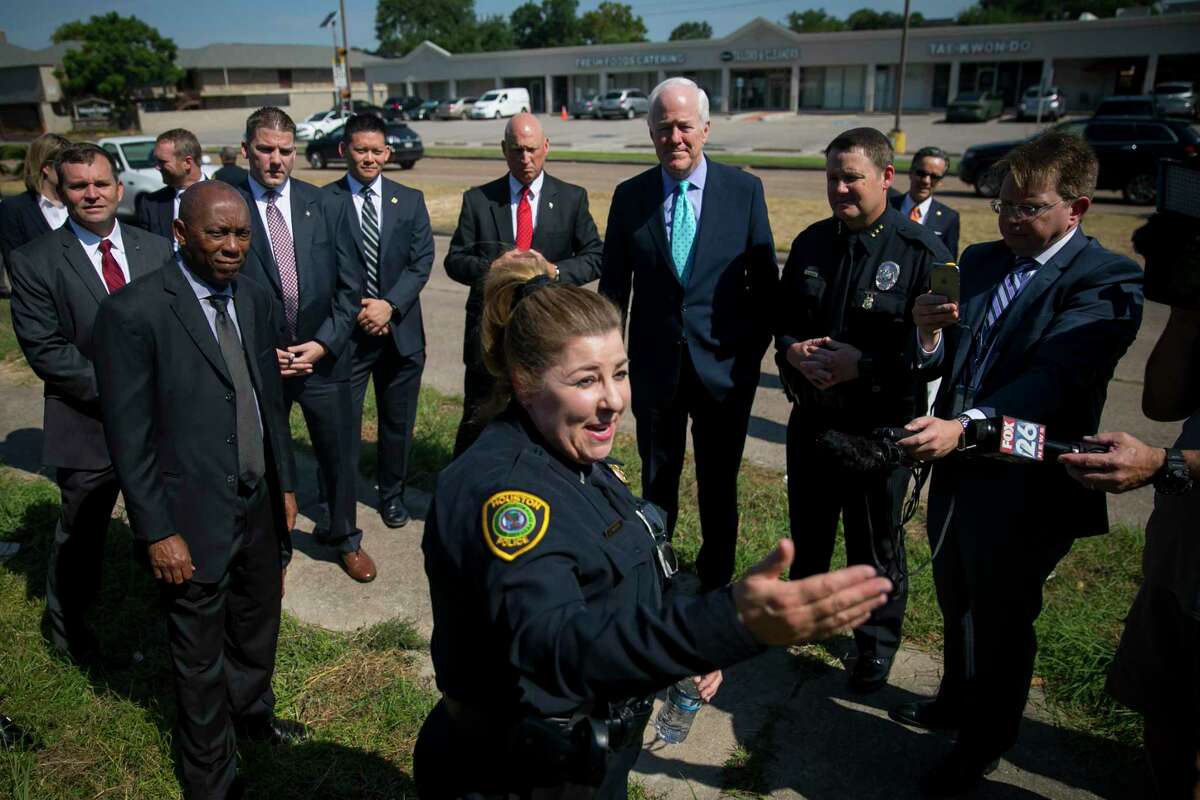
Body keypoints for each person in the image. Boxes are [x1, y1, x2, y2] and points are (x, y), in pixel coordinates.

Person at [415, 250, 894, 798]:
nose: (614, 401)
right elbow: (556, 645)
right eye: (586, 380)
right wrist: (718, 627)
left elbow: (627, 571)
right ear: (525, 381)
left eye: (619, 373)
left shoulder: (575, 456)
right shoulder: (508, 496)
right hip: (520, 776)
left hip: (590, 758)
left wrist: (683, 639)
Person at [894, 130, 1144, 795]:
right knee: (955, 594)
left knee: (1000, 619)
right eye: (1002, 204)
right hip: (957, 464)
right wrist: (926, 332)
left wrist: (967, 427)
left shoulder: (1106, 279)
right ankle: (954, 700)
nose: (1008, 219)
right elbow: (947, 362)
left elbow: (1053, 381)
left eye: (1027, 208)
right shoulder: (980, 261)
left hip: (1027, 482)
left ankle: (982, 743)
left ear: (1076, 207)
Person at [94, 180, 307, 800]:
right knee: (198, 655)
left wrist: (285, 485)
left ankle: (253, 715)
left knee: (258, 622)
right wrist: (157, 529)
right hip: (189, 515)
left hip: (258, 501)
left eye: (242, 234)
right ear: (181, 233)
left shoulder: (256, 297)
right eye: (217, 233)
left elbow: (269, 403)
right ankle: (211, 777)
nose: (232, 246)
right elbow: (129, 439)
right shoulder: (133, 313)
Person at [775, 127, 949, 694]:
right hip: (814, 418)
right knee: (809, 530)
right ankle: (805, 615)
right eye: (833, 177)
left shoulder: (920, 253)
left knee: (874, 544)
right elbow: (784, 324)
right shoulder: (811, 243)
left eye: (851, 177)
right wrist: (793, 353)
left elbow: (935, 359)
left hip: (878, 432)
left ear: (886, 177)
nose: (840, 189)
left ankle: (874, 645)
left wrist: (864, 366)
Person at [599, 77, 777, 591]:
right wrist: (611, 367)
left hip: (725, 373)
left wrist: (747, 358)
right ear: (650, 132)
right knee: (658, 480)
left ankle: (716, 579)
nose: (674, 138)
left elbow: (766, 287)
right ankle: (659, 574)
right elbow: (614, 290)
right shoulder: (630, 197)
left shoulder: (743, 192)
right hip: (656, 371)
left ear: (705, 129)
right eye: (663, 128)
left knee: (719, 483)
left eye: (684, 127)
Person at [8, 143, 173, 665]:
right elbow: (46, 351)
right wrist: (126, 394)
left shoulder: (157, 249)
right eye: (79, 186)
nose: (92, 194)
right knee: (81, 535)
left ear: (119, 188)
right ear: (60, 191)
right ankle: (69, 633)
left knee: (166, 522)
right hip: (87, 421)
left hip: (162, 422)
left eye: (101, 183)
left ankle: (170, 616)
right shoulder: (34, 261)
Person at [1059, 305, 1200, 797]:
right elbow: (1162, 404)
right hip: (1180, 551)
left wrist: (1166, 463)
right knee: (1166, 709)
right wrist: (1186, 314)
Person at [235, 107, 371, 582]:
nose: (276, 160)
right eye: (265, 149)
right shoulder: (230, 207)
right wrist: (257, 352)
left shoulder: (326, 204)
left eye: (285, 151)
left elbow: (350, 288)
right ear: (246, 150)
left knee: (339, 454)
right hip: (263, 361)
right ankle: (276, 544)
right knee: (270, 457)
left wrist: (323, 344)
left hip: (323, 359)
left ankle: (345, 536)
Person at [445, 112, 603, 457]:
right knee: (479, 419)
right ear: (504, 150)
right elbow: (454, 260)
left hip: (548, 330)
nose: (525, 158)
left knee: (546, 417)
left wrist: (555, 271)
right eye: (517, 150)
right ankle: (467, 481)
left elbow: (595, 255)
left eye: (532, 149)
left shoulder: (571, 198)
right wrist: (493, 268)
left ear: (546, 147)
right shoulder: (479, 200)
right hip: (492, 335)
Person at [323, 114, 434, 529]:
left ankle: (392, 496)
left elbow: (421, 262)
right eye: (360, 150)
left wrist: (390, 306)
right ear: (344, 151)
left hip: (401, 335)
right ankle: (340, 501)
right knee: (342, 426)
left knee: (397, 424)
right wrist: (360, 310)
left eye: (376, 151)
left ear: (387, 153)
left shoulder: (410, 200)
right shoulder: (324, 202)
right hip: (348, 336)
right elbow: (320, 267)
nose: (368, 158)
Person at [0, 133, 71, 265]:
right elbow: (15, 263)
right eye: (65, 162)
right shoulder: (14, 209)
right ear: (46, 167)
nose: (71, 169)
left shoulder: (78, 202)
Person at [137, 128, 208, 240]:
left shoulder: (224, 199)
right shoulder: (150, 204)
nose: (157, 167)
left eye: (162, 162)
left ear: (187, 163)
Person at [889, 146, 960, 259]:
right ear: (911, 173)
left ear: (941, 181)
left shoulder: (949, 218)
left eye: (934, 177)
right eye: (921, 173)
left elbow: (949, 263)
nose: (926, 181)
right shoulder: (887, 206)